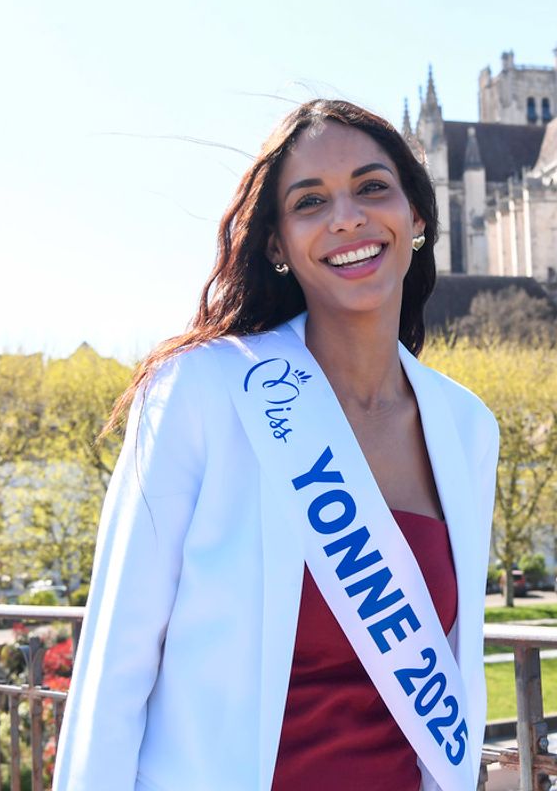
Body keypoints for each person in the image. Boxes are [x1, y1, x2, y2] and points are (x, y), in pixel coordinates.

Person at [52, 100, 500, 791]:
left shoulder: (466, 426)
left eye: (372, 187)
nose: (346, 217)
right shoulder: (201, 390)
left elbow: (453, 666)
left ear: (416, 217)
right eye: (310, 201)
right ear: (276, 246)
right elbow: (116, 665)